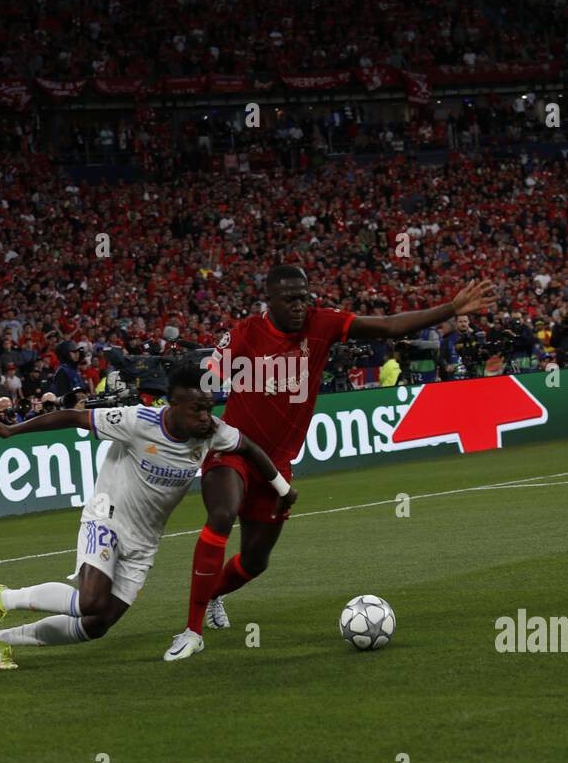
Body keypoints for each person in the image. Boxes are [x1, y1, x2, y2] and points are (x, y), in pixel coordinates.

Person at [178, 264, 495, 651]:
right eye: (289, 299)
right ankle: (191, 632)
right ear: (269, 301)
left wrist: (450, 308)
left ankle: (214, 593)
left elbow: (389, 326)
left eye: (304, 298)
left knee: (255, 561)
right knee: (223, 514)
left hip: (277, 464)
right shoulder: (245, 335)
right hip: (235, 450)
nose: (299, 306)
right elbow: (205, 379)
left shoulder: (322, 324)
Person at [0, 365, 293, 669]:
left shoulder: (211, 432)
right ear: (175, 404)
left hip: (145, 541)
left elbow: (248, 447)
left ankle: (2, 640)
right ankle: (4, 597)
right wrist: (12, 429)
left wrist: (281, 488)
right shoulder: (137, 421)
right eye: (198, 409)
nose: (207, 417)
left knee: (98, 624)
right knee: (91, 601)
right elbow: (73, 416)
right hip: (107, 517)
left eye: (210, 408)